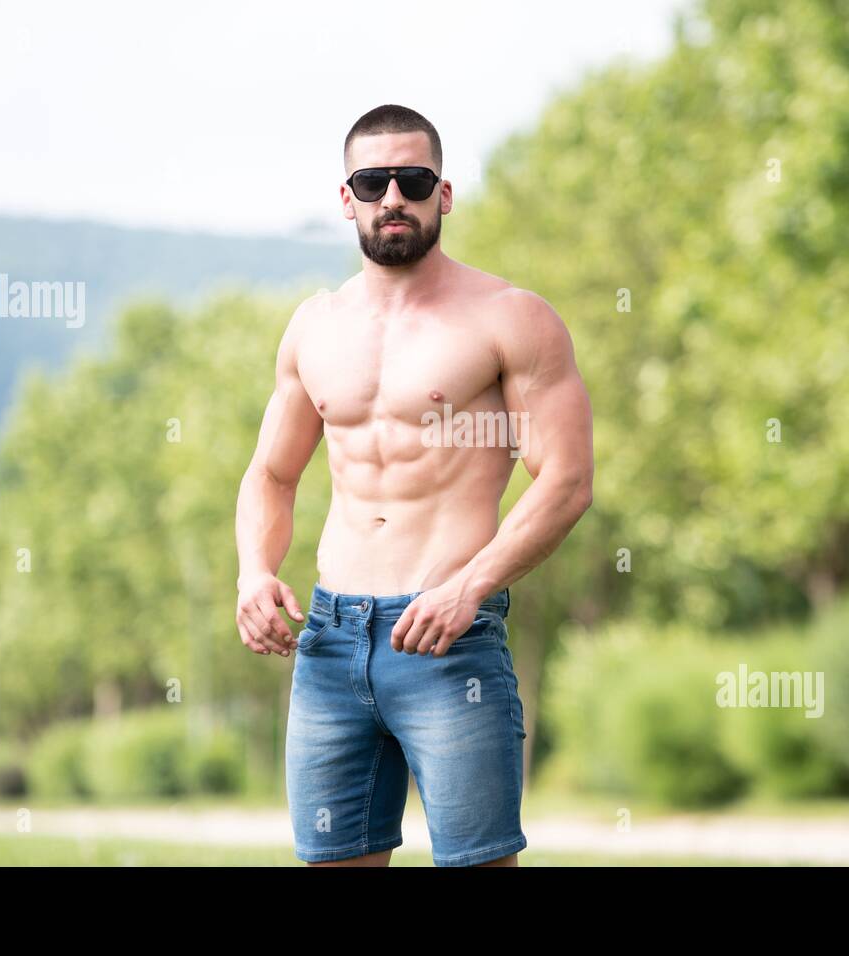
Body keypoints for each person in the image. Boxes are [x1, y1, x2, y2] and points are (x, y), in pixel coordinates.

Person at [233, 104, 594, 866]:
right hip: (328, 642)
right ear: (347, 198)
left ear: (444, 194)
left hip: (450, 644)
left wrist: (471, 586)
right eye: (373, 180)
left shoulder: (511, 318)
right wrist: (254, 571)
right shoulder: (314, 325)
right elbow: (271, 473)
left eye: (413, 178)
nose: (392, 195)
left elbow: (564, 480)